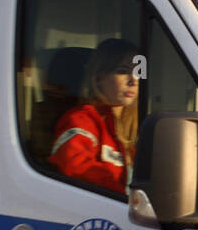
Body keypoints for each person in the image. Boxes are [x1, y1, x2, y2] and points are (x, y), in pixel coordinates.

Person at [49, 38, 140, 194]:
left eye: (138, 72)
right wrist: (122, 194)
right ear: (98, 77)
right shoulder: (81, 120)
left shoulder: (133, 130)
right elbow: (73, 167)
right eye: (123, 71)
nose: (133, 80)